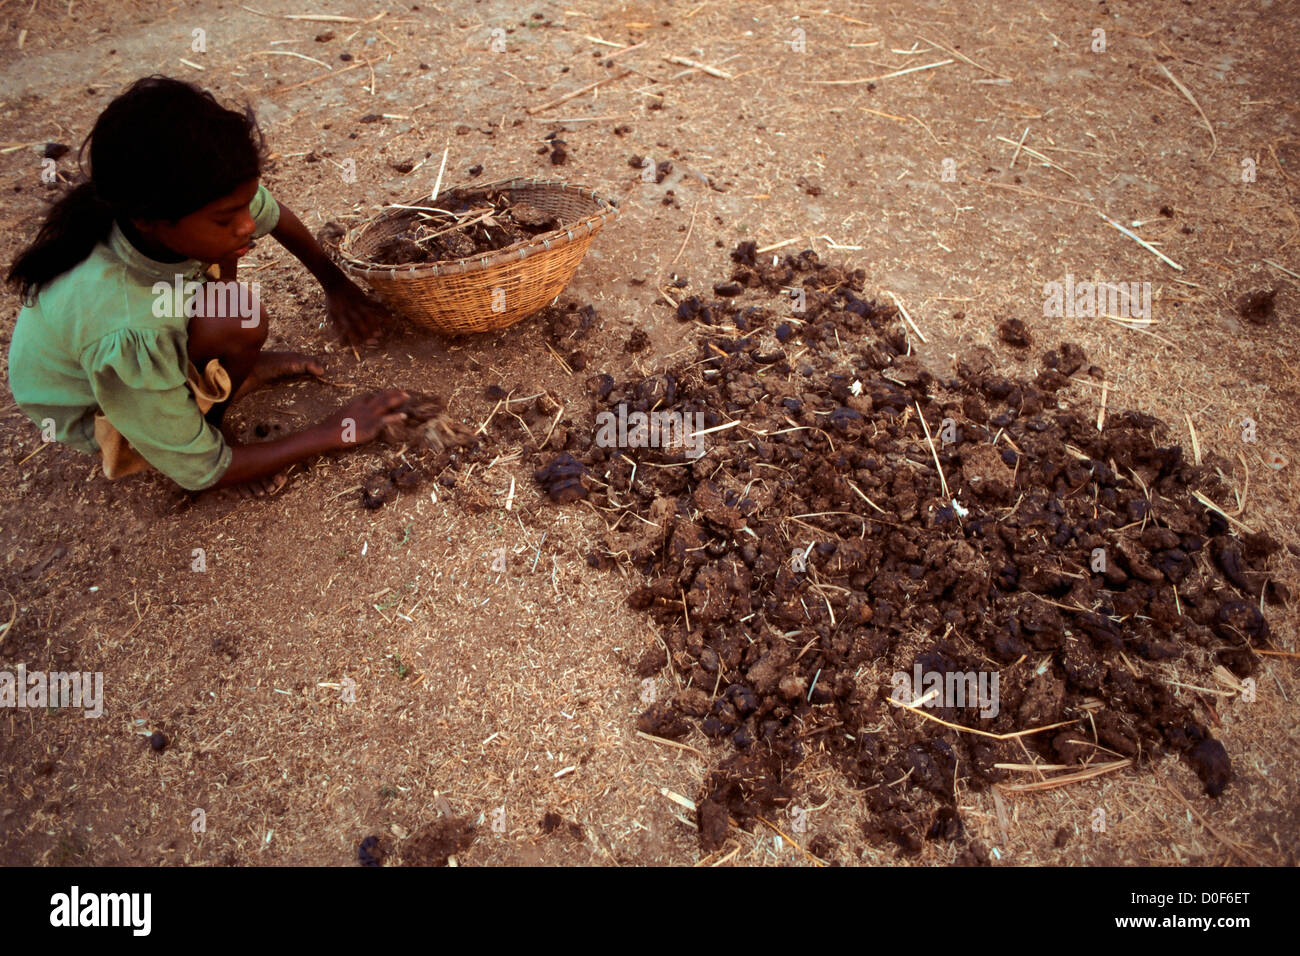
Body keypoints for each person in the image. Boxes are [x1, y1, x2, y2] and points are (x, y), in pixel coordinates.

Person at [6, 75, 409, 495]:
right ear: (148, 219)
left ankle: (227, 374)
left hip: (141, 334)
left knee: (235, 311)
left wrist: (337, 286)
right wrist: (332, 433)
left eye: (244, 205)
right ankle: (202, 417)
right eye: (226, 218)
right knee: (231, 323)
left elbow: (272, 214)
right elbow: (199, 471)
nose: (248, 225)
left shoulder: (182, 199)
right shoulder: (126, 324)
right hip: (96, 405)